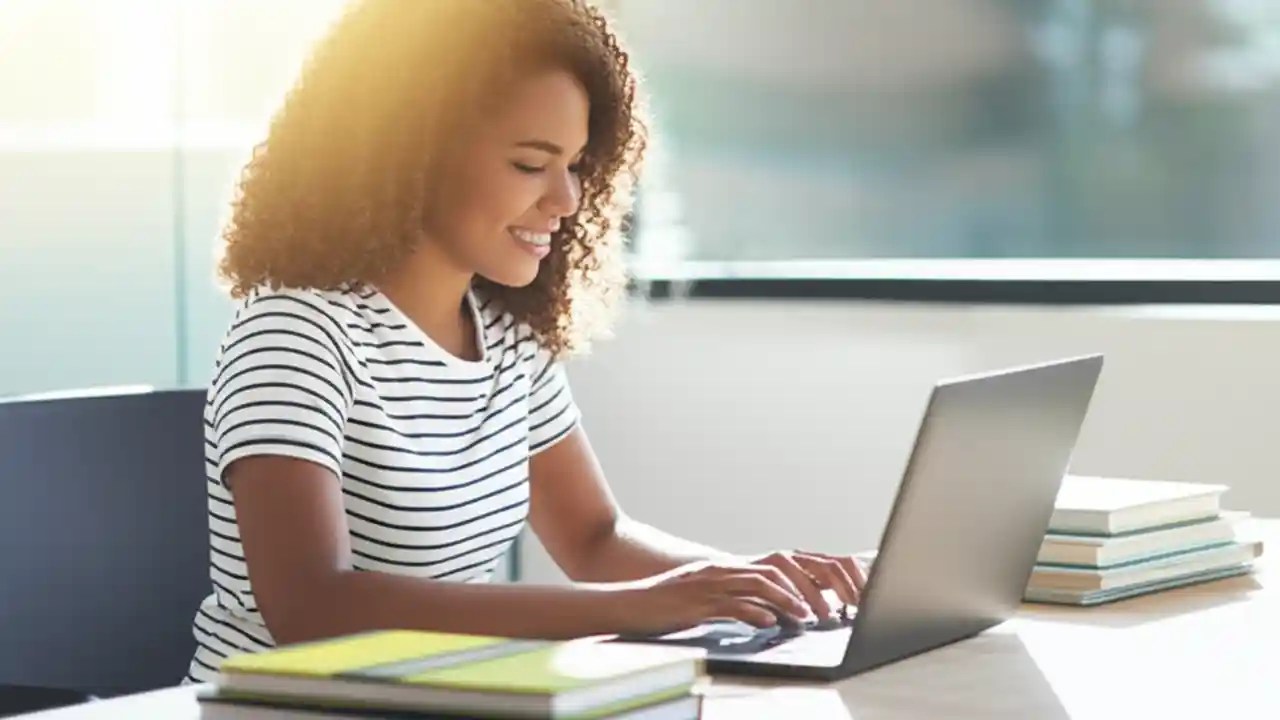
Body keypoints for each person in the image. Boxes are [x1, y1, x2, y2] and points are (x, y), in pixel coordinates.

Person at [185, 0, 865, 683]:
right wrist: (637, 607)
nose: (567, 199)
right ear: (410, 153)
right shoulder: (295, 333)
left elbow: (594, 539)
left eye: (575, 164)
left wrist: (755, 584)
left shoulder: (507, 336)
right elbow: (311, 607)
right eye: (530, 164)